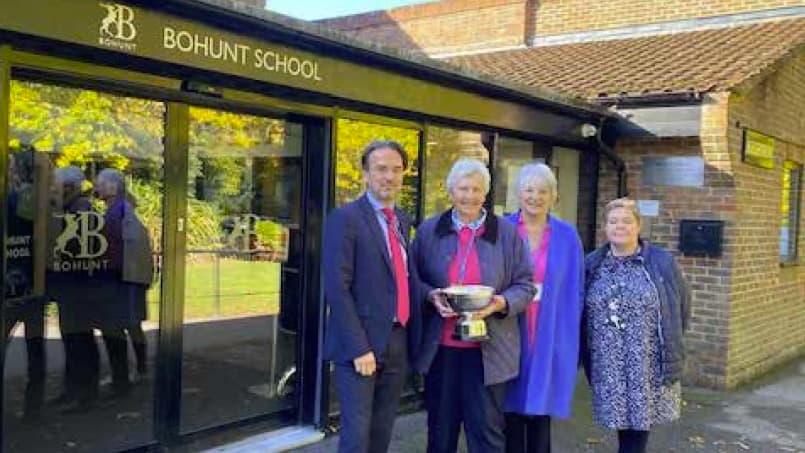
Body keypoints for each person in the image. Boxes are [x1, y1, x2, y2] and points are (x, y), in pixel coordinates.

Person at [411, 158, 535, 453]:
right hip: (441, 352)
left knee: (487, 436)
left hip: (489, 356)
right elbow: (412, 280)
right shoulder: (429, 232)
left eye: (476, 189)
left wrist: (499, 303)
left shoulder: (506, 233)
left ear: (486, 193)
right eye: (462, 188)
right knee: (440, 435)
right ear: (450, 191)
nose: (469, 196)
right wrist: (431, 296)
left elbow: (526, 285)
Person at [323, 140, 421, 453]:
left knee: (382, 431)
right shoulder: (345, 218)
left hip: (397, 340)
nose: (389, 176)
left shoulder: (402, 221)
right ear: (365, 174)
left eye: (396, 170)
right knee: (356, 437)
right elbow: (337, 288)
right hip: (361, 346)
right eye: (381, 169)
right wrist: (359, 348)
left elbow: (400, 279)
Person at [581, 198, 691, 453]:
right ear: (605, 228)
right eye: (613, 221)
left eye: (627, 221)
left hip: (646, 363)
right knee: (623, 428)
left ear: (639, 225)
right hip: (609, 364)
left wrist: (669, 339)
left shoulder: (661, 262)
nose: (620, 226)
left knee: (638, 430)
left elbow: (681, 306)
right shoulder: (592, 265)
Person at [503, 163, 584, 453]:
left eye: (543, 191)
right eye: (529, 189)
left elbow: (575, 291)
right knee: (509, 408)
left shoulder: (567, 236)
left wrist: (569, 339)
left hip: (549, 328)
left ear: (553, 196)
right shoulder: (503, 229)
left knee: (540, 408)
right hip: (511, 326)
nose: (535, 196)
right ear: (518, 193)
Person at [93, 168, 152, 394]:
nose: (96, 187)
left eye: (100, 183)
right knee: (131, 324)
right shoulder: (118, 210)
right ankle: (135, 371)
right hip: (127, 277)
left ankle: (132, 373)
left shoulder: (120, 211)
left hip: (124, 279)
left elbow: (126, 246)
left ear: (113, 187)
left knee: (125, 324)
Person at [3, 147, 46, 419]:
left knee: (33, 348)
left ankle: (34, 408)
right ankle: (34, 409)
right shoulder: (27, 200)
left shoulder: (16, 200)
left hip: (15, 287)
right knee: (35, 348)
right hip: (30, 284)